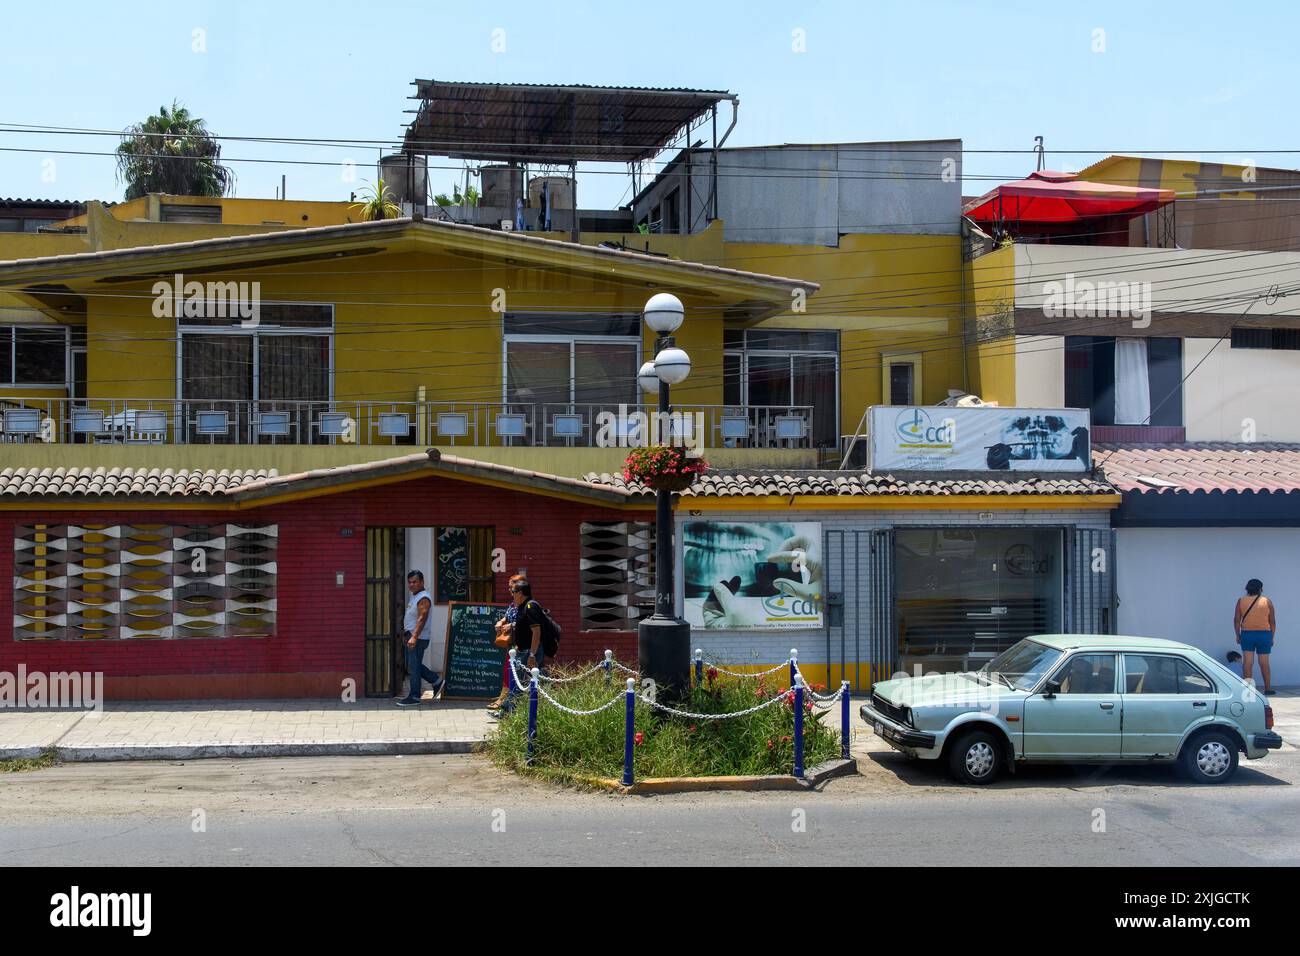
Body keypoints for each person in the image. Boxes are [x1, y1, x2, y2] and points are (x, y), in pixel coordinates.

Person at [490, 578, 546, 718]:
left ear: (520, 593)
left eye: (513, 590)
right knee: (522, 681)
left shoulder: (530, 607)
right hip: (522, 649)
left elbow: (536, 632)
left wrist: (532, 654)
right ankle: (511, 711)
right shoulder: (520, 606)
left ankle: (506, 712)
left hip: (529, 650)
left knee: (520, 681)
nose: (511, 593)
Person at [396, 570, 443, 707]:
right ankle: (436, 681)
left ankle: (415, 696)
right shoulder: (415, 596)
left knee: (414, 667)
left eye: (415, 582)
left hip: (417, 637)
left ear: (422, 582)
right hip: (411, 635)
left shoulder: (423, 597)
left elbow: (422, 618)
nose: (412, 585)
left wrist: (414, 636)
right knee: (413, 665)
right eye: (410, 582)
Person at [487, 574, 527, 710]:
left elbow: (527, 622)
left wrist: (512, 625)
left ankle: (505, 703)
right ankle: (504, 702)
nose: (510, 591)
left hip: (521, 643)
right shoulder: (513, 604)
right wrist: (501, 621)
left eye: (512, 589)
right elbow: (507, 615)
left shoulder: (526, 605)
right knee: (508, 670)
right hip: (511, 643)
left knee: (512, 671)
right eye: (509, 588)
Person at [1234, 578, 1277, 696]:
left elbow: (1237, 620)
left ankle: (1248, 690)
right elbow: (1272, 621)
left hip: (1247, 634)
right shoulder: (1267, 601)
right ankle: (1268, 688)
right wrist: (1271, 637)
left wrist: (1238, 635)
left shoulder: (1241, 601)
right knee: (1264, 662)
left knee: (1248, 662)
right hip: (1264, 634)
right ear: (1260, 589)